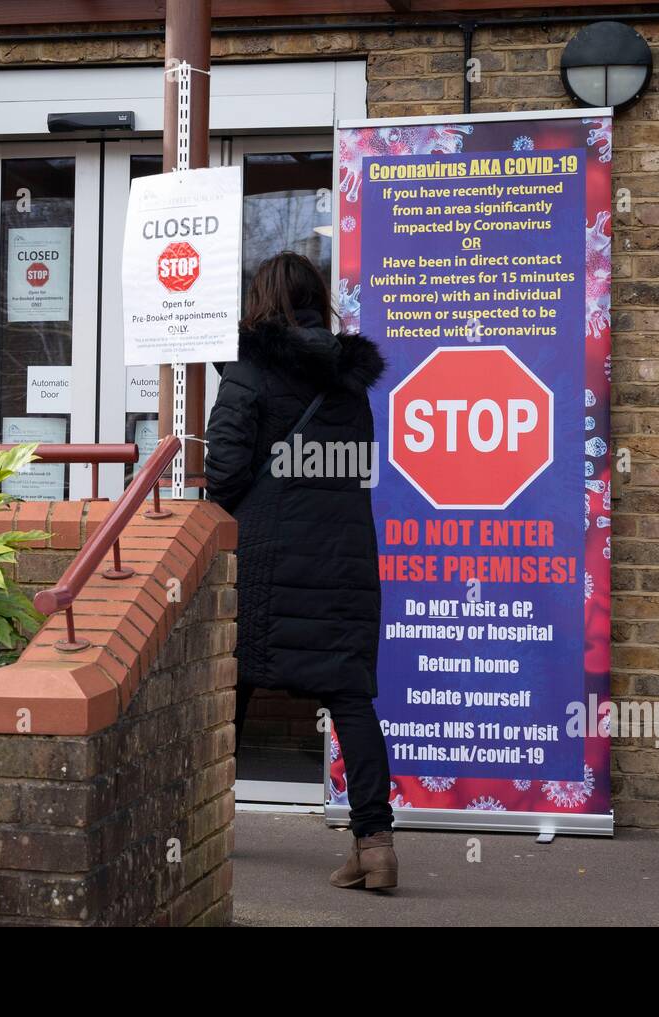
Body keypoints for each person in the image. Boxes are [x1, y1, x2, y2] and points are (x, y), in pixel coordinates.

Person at [205, 251, 397, 891]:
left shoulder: (248, 373)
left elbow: (225, 477)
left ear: (259, 302)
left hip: (265, 563)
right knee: (351, 699)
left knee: (229, 690)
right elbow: (351, 467)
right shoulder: (349, 380)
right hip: (343, 559)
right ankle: (375, 845)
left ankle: (202, 823)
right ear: (316, 298)